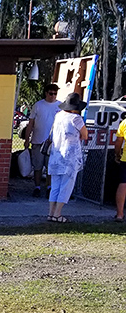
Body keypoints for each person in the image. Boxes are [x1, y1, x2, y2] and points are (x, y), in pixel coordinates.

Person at [46, 92, 88, 222]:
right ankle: (58, 214)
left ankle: (51, 213)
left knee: (55, 186)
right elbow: (85, 135)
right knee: (66, 185)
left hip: (56, 154)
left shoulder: (58, 116)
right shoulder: (76, 119)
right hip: (69, 157)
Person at [24, 82, 61, 197]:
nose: (53, 96)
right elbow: (30, 123)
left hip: (53, 143)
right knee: (38, 166)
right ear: (46, 93)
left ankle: (49, 187)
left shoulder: (60, 106)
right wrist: (27, 139)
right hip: (38, 140)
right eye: (51, 93)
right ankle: (37, 187)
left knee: (50, 167)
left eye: (55, 94)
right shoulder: (38, 105)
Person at [114, 116, 126, 222]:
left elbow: (118, 142)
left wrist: (117, 155)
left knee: (123, 184)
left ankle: (120, 214)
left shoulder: (124, 123)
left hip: (125, 158)